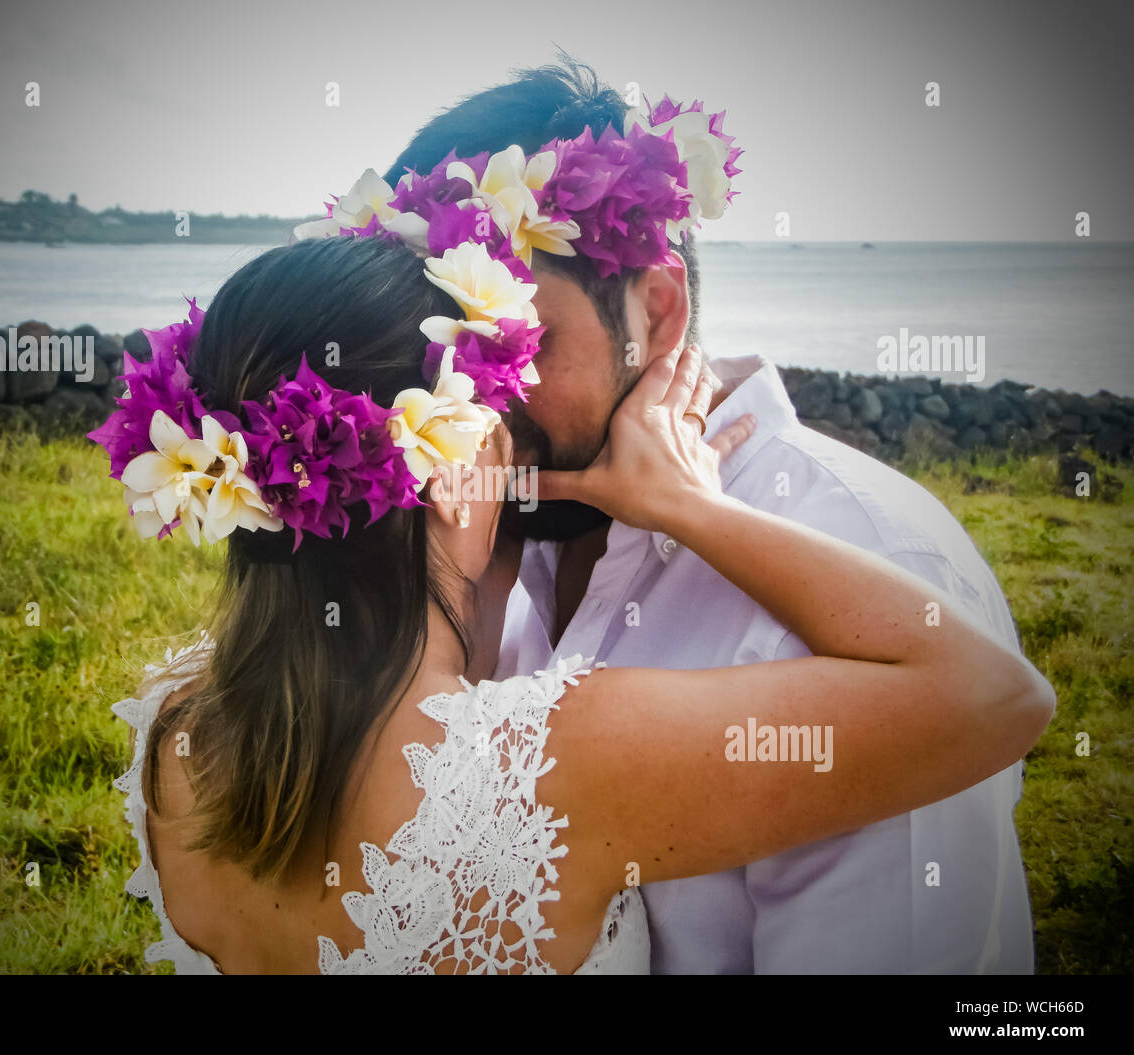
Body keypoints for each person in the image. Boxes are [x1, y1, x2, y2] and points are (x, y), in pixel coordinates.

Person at [98, 234, 1053, 974]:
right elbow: (994, 696)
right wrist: (687, 504)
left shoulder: (173, 735)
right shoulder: (554, 761)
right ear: (453, 472)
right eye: (503, 423)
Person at [384, 56, 1043, 973]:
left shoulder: (871, 568)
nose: (467, 401)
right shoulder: (488, 531)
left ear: (655, 312)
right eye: (440, 349)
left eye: (507, 341)